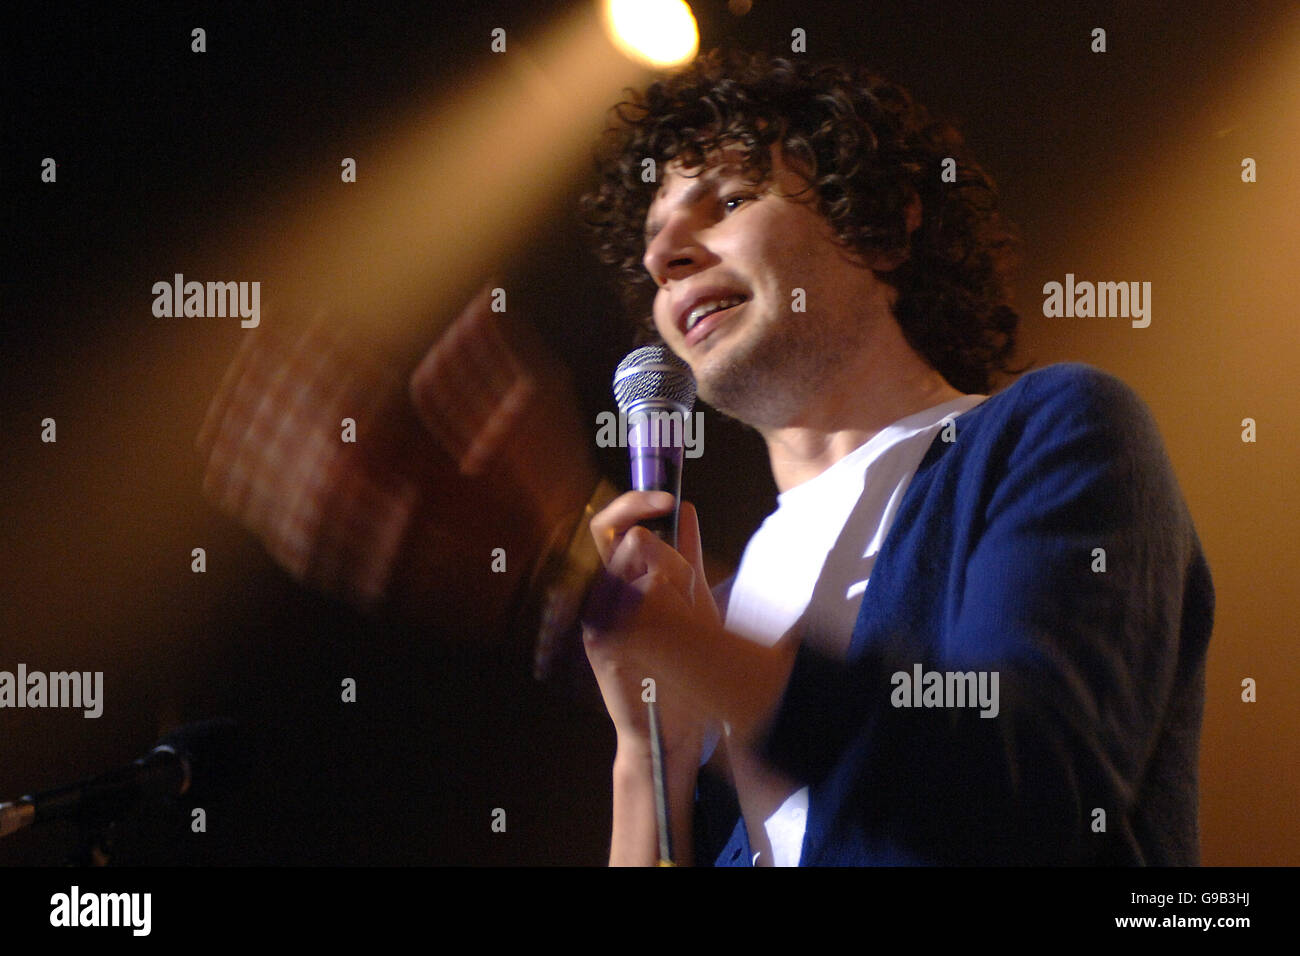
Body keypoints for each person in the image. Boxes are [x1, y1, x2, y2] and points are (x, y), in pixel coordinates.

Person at [575, 50, 1214, 866]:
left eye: (730, 200)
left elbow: (1031, 797)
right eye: (654, 239)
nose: (665, 256)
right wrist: (648, 755)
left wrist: (678, 639)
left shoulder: (1056, 431)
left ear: (878, 227)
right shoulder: (726, 605)